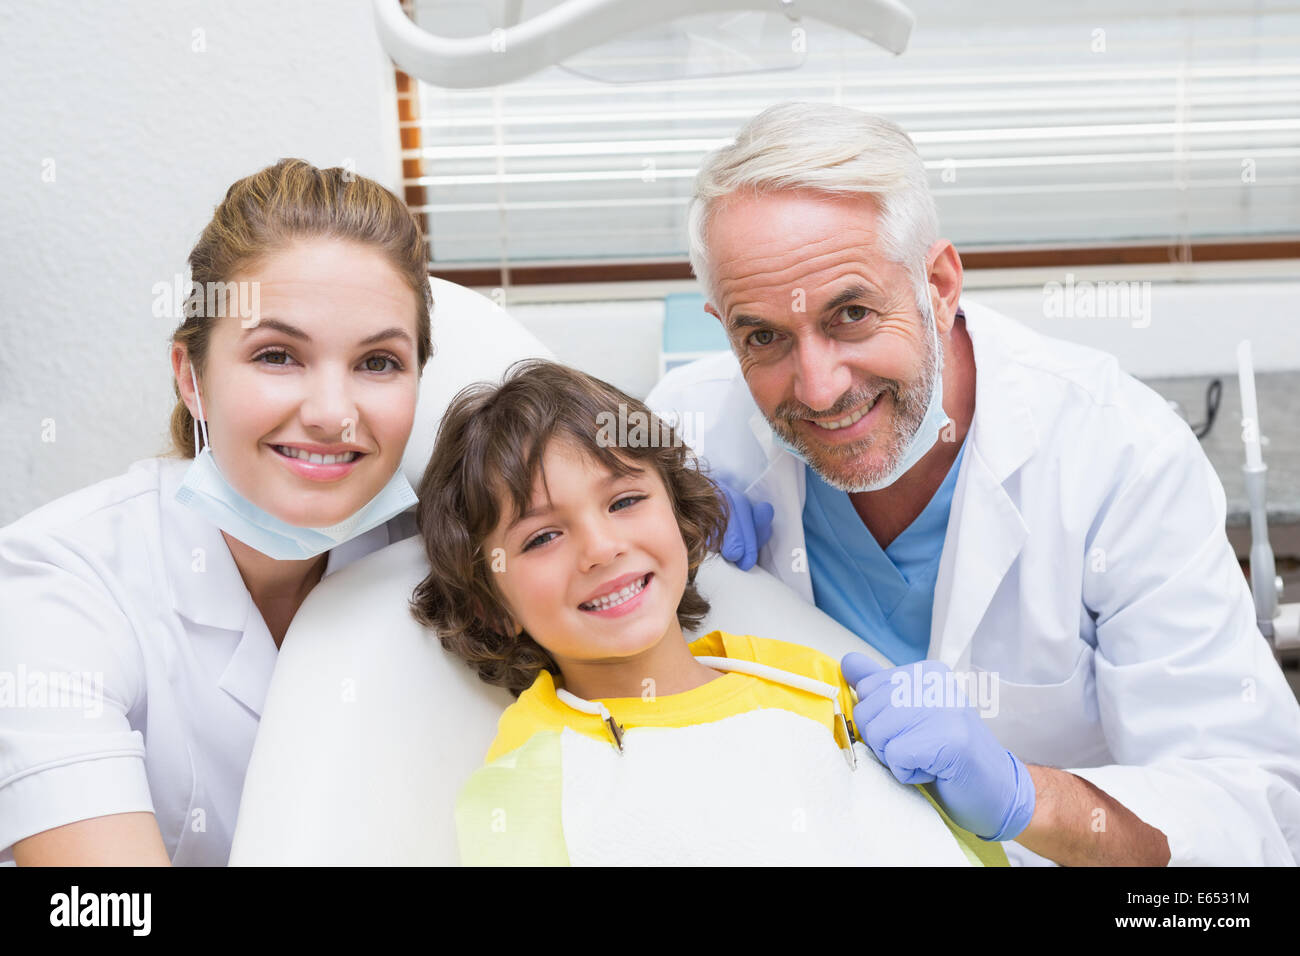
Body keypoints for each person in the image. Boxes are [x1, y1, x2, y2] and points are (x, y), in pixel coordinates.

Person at [646, 101, 1300, 866]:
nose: (819, 389)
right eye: (762, 336)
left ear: (939, 283)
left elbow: (1247, 815)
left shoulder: (1115, 454)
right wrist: (660, 536)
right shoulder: (681, 440)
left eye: (852, 313)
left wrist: (1023, 796)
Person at [0, 159, 432, 865]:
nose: (331, 413)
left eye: (378, 363)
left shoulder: (442, 565)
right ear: (191, 379)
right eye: (277, 355)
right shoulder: (58, 581)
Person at [409, 359, 1008, 866]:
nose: (602, 548)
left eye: (625, 500)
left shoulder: (809, 680)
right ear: (491, 606)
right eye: (541, 538)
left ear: (680, 511)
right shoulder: (537, 776)